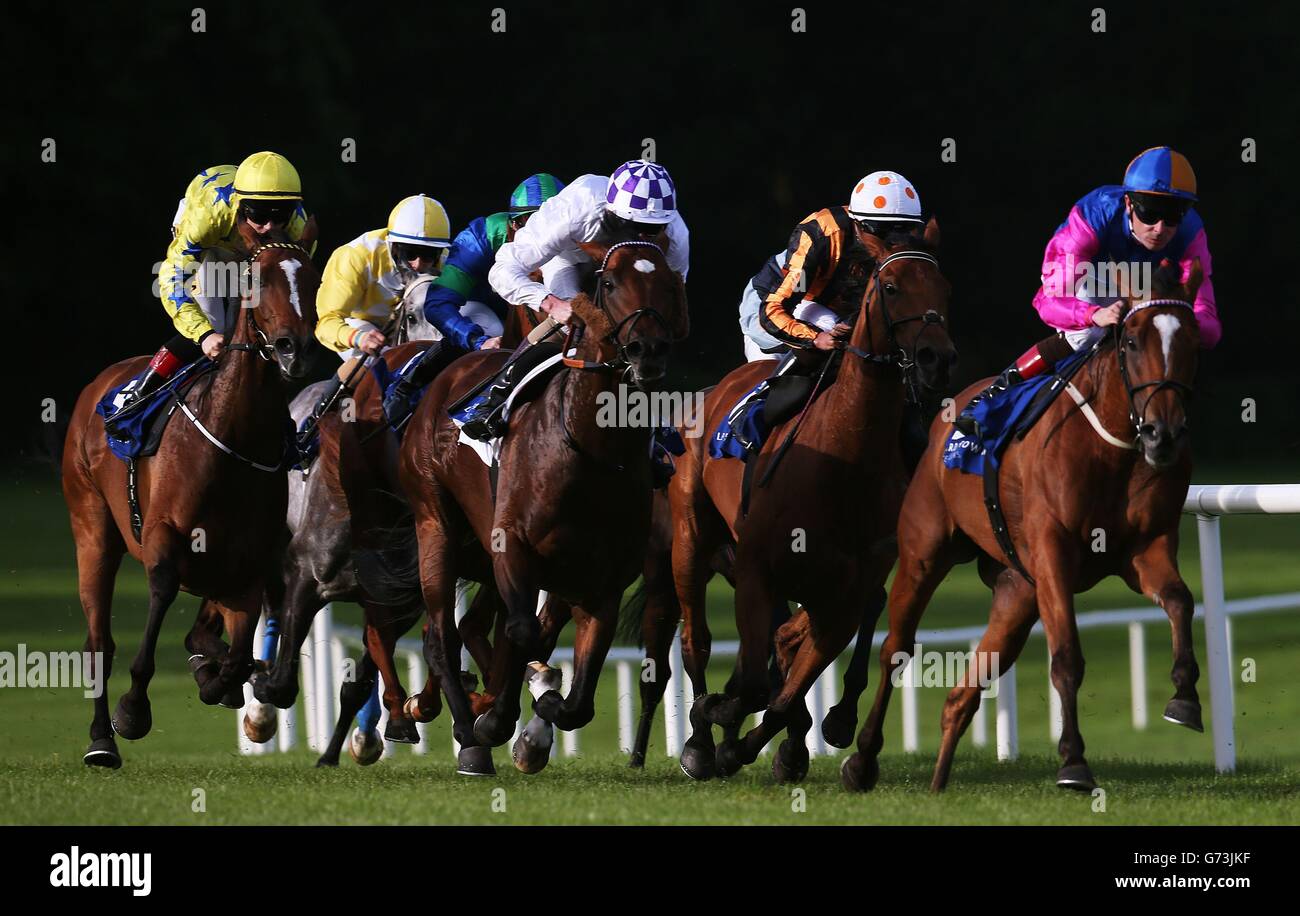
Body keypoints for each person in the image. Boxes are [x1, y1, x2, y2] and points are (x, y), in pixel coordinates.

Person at [954, 146, 1221, 437]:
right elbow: (1046, 301)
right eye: (1150, 212)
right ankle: (997, 392)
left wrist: (1182, 325)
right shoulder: (1093, 217)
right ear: (1129, 204)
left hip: (1147, 282)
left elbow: (1208, 321)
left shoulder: (1191, 233)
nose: (1160, 228)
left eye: (1173, 216)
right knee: (1088, 333)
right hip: (1088, 274)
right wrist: (1093, 314)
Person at [457, 159, 689, 440]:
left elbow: (670, 295)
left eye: (651, 230)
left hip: (625, 271)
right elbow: (503, 270)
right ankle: (496, 395)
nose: (642, 235)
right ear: (612, 212)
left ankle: (648, 417)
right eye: (634, 225)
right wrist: (551, 303)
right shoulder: (577, 210)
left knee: (639, 331)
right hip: (568, 258)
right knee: (576, 327)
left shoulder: (676, 233)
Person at [119, 152, 313, 410]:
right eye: (259, 215)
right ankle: (139, 392)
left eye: (280, 217)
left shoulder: (297, 228)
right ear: (242, 206)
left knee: (255, 324)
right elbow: (171, 280)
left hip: (255, 253)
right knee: (215, 323)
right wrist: (204, 334)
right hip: (212, 242)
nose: (269, 227)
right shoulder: (208, 217)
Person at [378, 174, 567, 428]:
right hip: (485, 313)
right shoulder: (481, 237)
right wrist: (479, 340)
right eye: (532, 223)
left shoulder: (577, 237)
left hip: (540, 318)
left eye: (552, 223)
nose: (545, 235)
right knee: (483, 319)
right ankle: (407, 386)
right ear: (514, 225)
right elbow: (437, 305)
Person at [306, 193, 462, 423]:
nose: (419, 264)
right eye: (410, 253)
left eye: (429, 254)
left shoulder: (447, 260)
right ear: (394, 245)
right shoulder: (354, 257)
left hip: (413, 325)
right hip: (361, 325)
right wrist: (358, 338)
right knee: (377, 360)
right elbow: (326, 322)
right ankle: (315, 424)